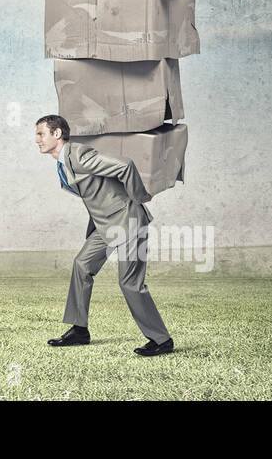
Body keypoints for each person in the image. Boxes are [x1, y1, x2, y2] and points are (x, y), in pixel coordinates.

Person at [34, 114, 174, 356]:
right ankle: (80, 330)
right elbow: (95, 194)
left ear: (57, 134)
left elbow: (125, 165)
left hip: (128, 221)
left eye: (40, 134)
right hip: (105, 224)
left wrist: (141, 196)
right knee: (81, 265)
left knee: (130, 282)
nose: (37, 140)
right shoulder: (63, 163)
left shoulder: (78, 155)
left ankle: (161, 340)